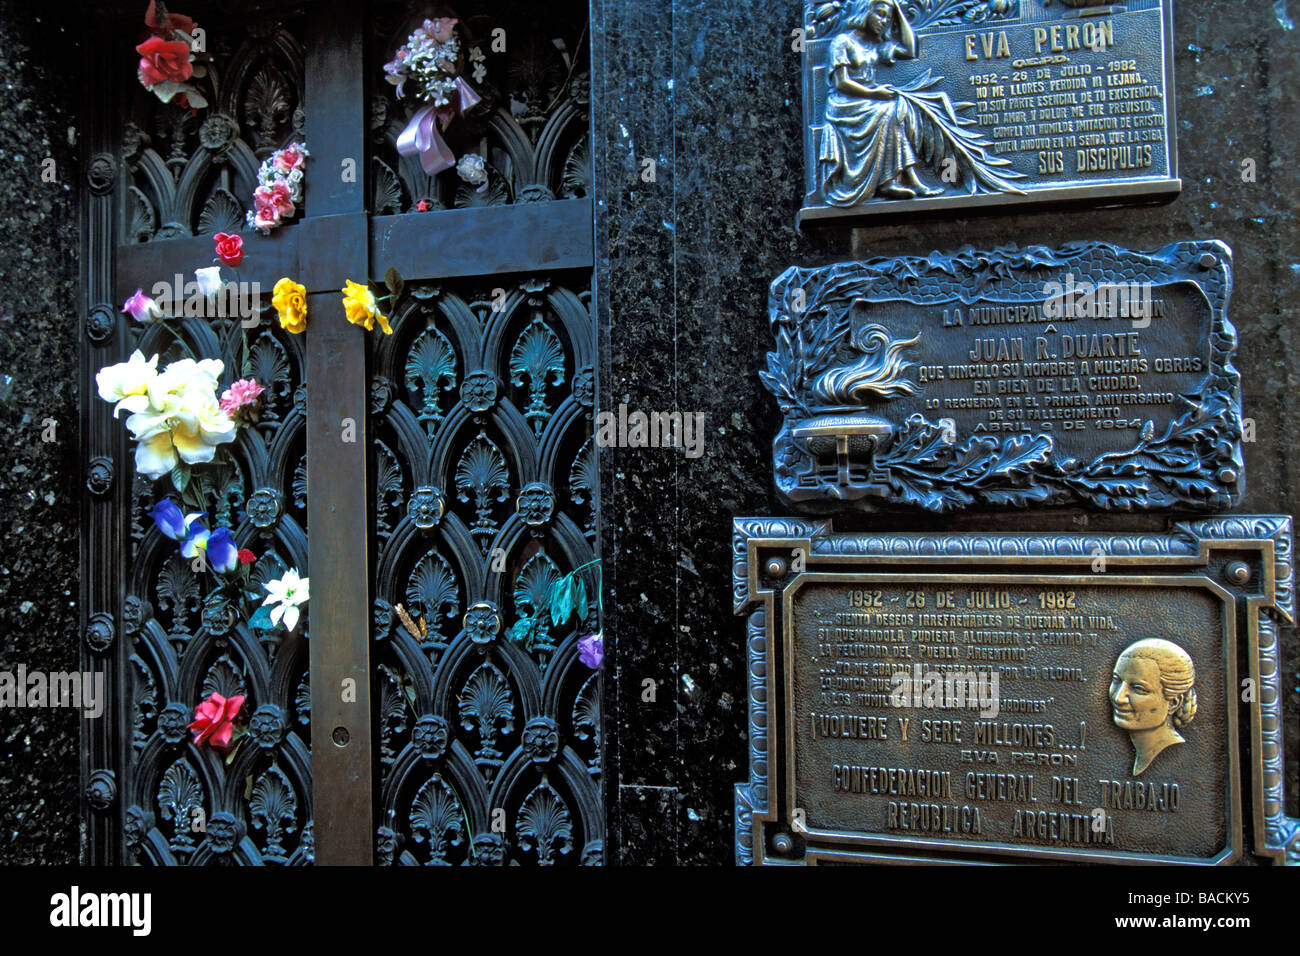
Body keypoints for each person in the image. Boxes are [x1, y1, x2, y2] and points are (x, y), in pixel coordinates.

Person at [818, 0, 1023, 205]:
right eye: (879, 14)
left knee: (898, 111)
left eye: (888, 18)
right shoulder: (842, 42)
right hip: (845, 104)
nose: (883, 21)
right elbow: (842, 82)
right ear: (865, 12)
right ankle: (901, 180)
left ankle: (898, 179)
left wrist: (898, 12)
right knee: (889, 112)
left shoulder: (875, 45)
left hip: (870, 102)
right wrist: (876, 94)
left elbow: (910, 49)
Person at [1108, 638, 1197, 776]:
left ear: (1173, 703)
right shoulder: (1125, 757)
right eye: (1116, 680)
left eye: (1138, 688)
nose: (1118, 698)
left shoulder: (1184, 766)